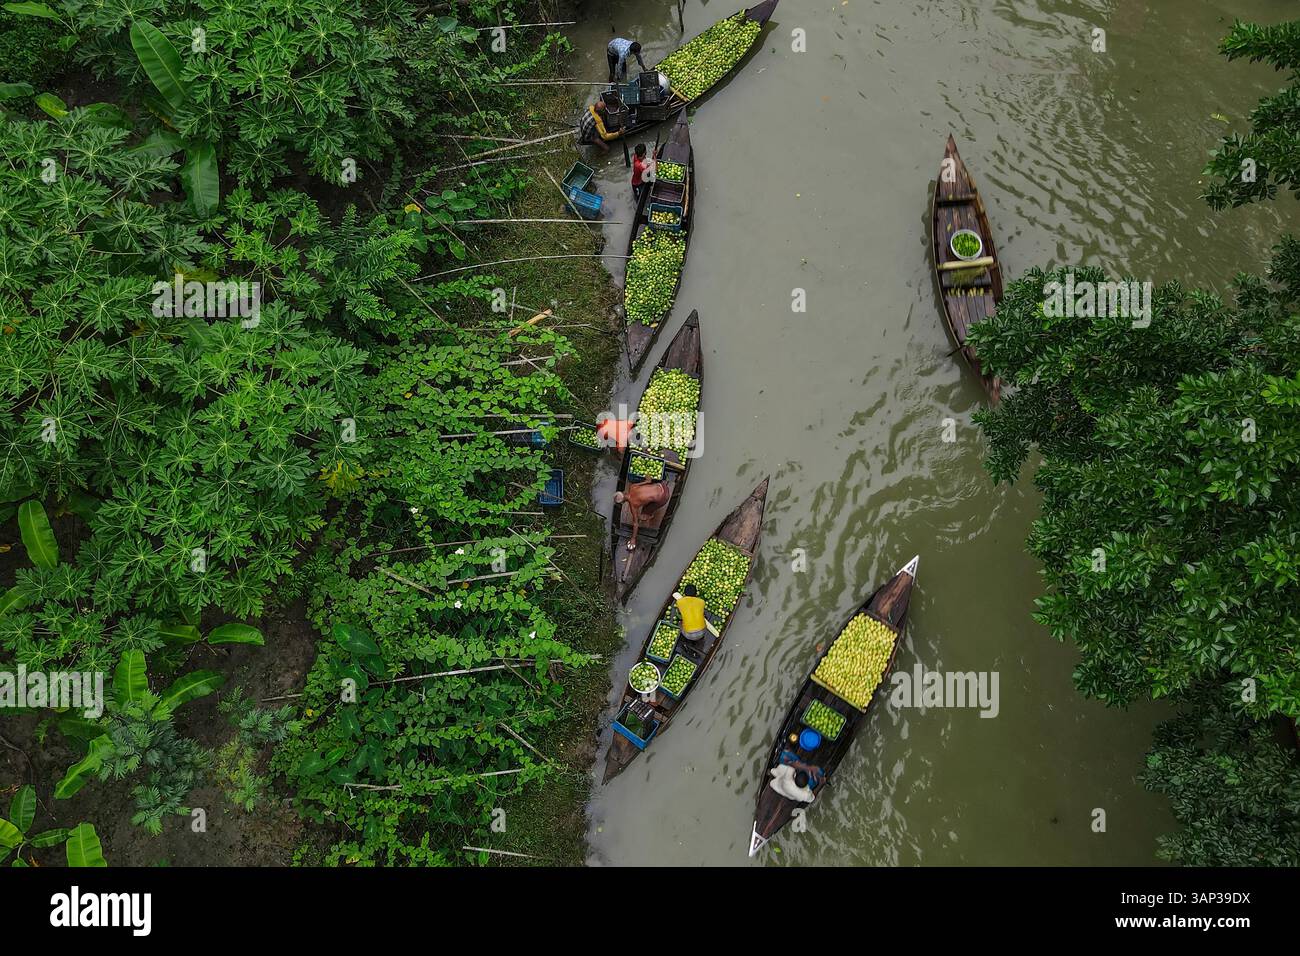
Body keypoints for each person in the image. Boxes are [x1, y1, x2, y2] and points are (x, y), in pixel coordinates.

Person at [614, 477, 670, 551]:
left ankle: (650, 515)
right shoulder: (632, 487)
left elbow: (635, 524)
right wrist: (647, 480)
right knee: (646, 500)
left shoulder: (633, 505)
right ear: (623, 492)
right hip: (662, 486)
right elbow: (648, 481)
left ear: (623, 502)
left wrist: (633, 539)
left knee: (643, 514)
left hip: (664, 497)